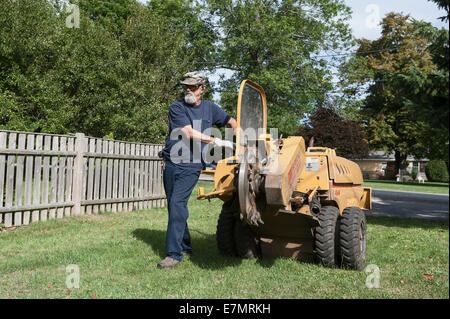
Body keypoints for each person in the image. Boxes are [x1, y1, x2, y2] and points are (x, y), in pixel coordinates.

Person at [157, 71, 237, 269]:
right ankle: (185, 246)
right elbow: (187, 132)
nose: (187, 89)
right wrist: (216, 140)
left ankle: (173, 254)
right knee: (175, 206)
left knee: (177, 203)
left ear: (203, 88)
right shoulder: (177, 107)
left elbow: (231, 121)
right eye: (185, 86)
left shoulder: (210, 108)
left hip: (191, 165)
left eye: (192, 86)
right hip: (171, 163)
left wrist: (241, 137)